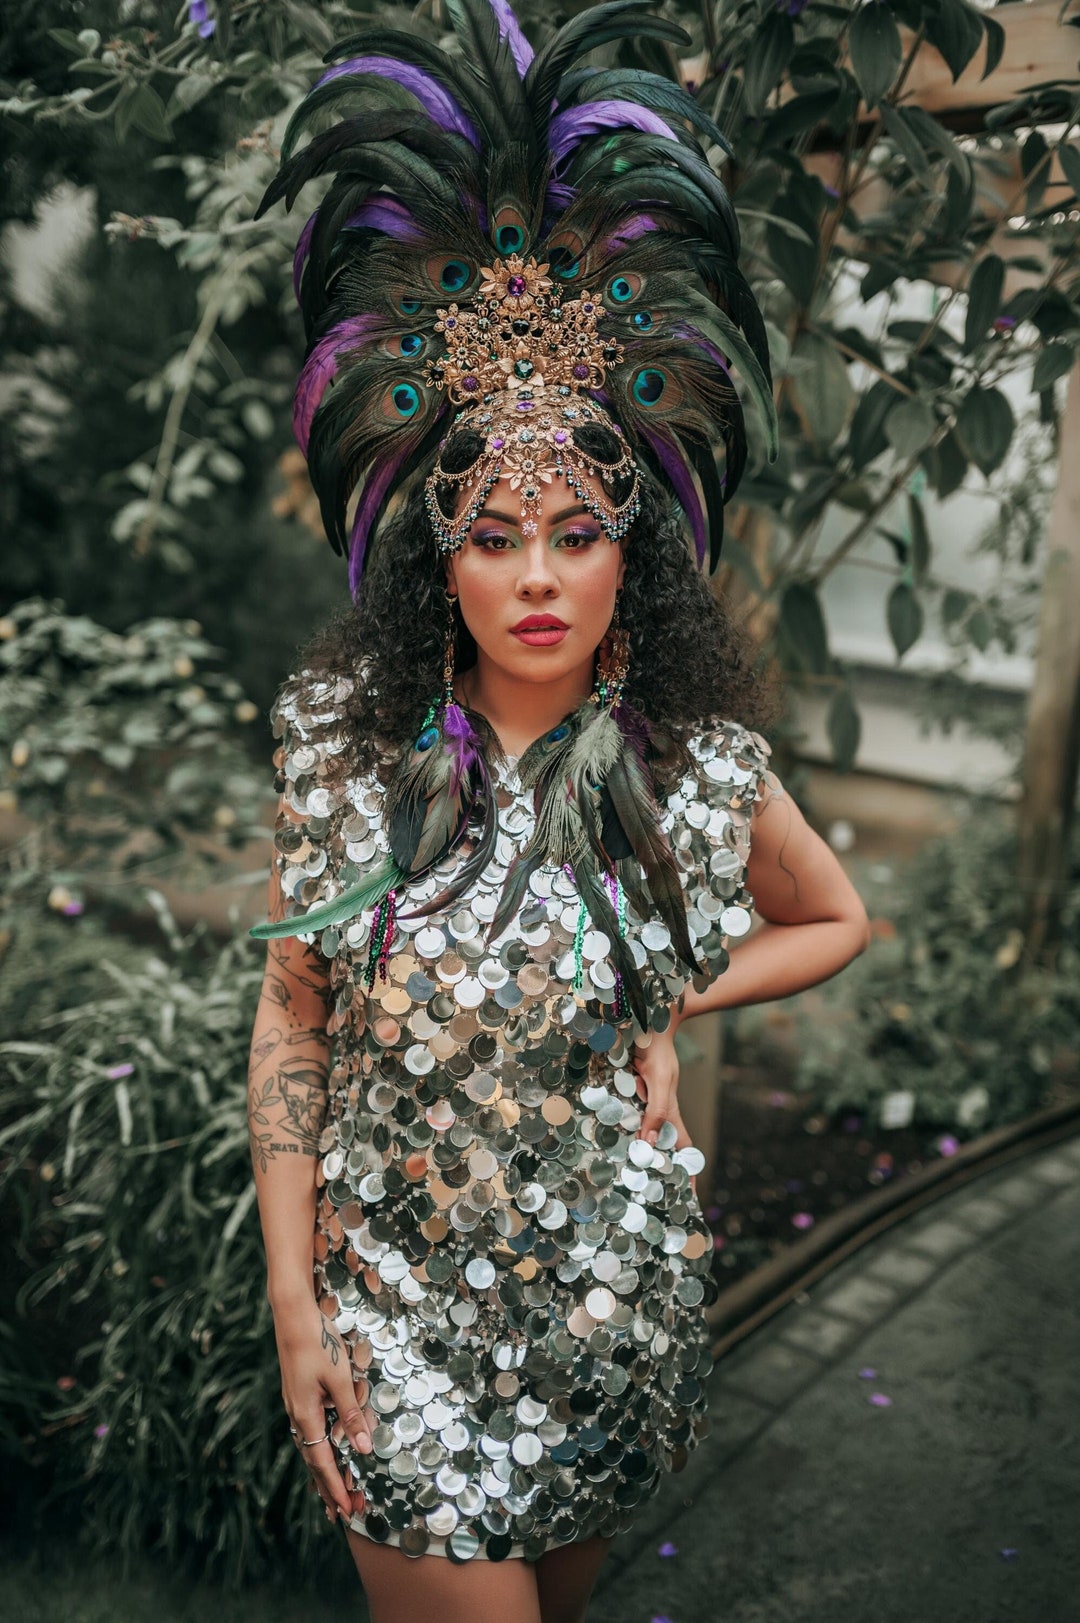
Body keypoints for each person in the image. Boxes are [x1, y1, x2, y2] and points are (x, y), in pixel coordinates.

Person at [246, 4, 871, 1620]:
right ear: (434, 550)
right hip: (392, 1318)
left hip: (604, 1309)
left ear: (633, 549)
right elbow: (295, 1022)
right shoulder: (342, 745)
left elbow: (835, 921)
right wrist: (298, 1307)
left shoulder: (699, 766)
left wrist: (673, 988)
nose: (537, 574)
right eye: (498, 530)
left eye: (580, 529)